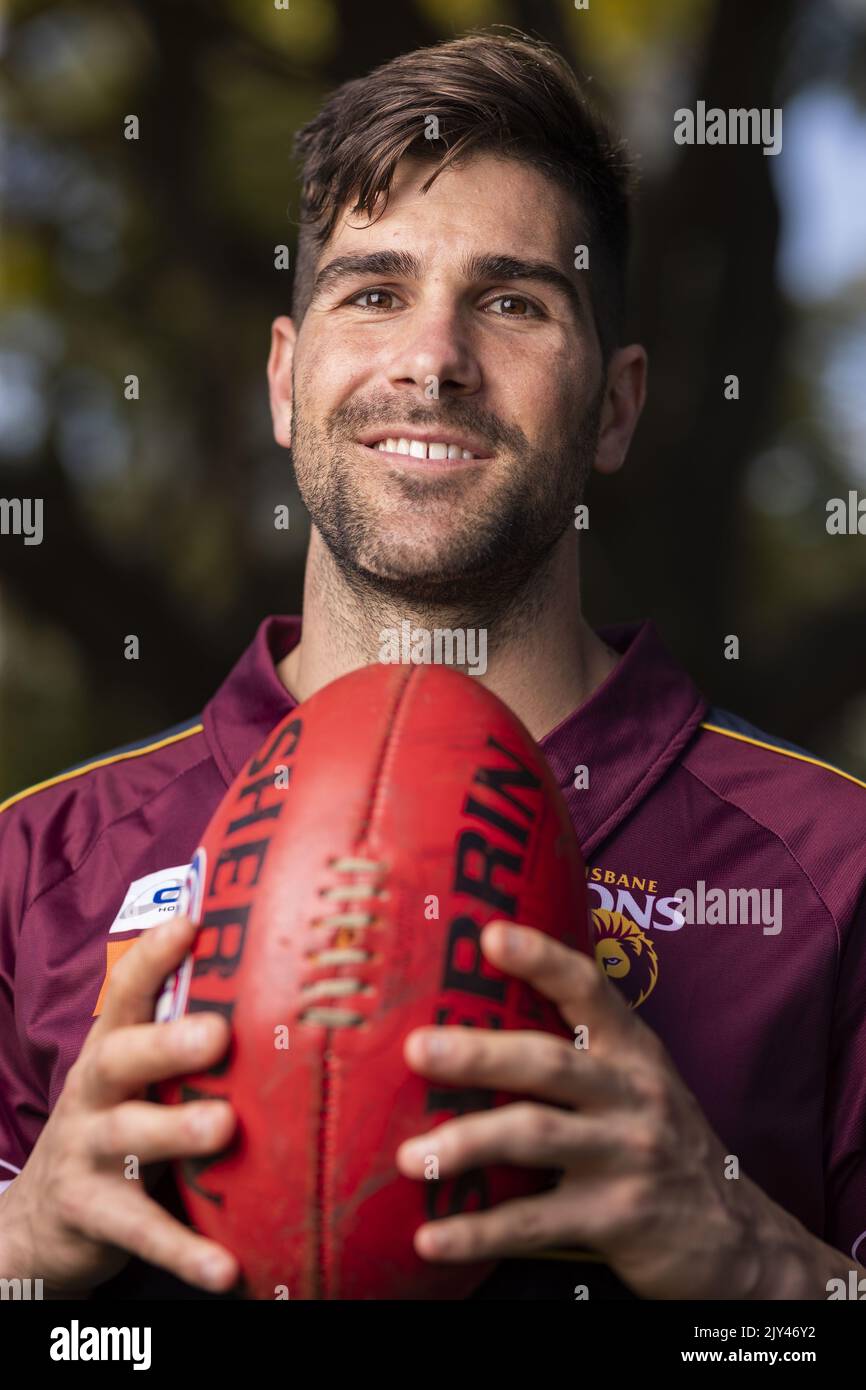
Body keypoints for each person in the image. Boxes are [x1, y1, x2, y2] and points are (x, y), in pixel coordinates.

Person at [1, 31, 864, 1302]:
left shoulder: (834, 870)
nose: (433, 359)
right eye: (373, 291)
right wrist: (17, 1254)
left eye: (512, 301)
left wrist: (763, 1267)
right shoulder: (36, 868)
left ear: (615, 406)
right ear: (287, 380)